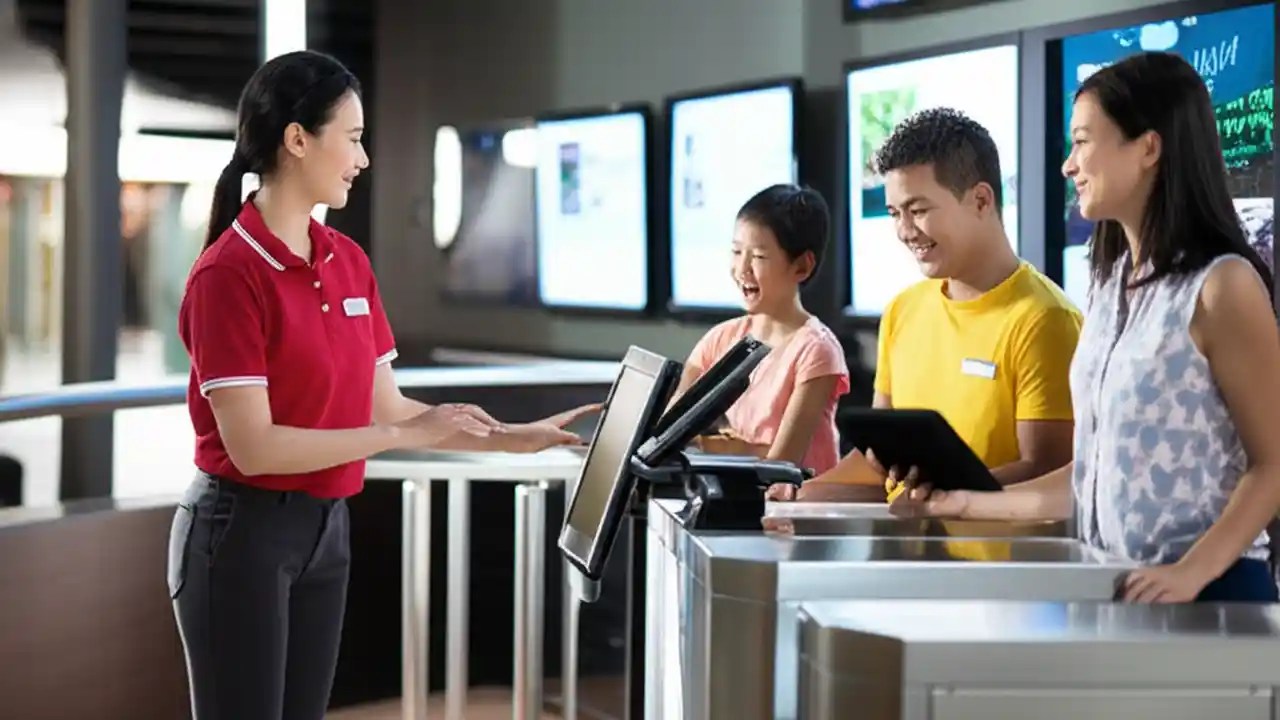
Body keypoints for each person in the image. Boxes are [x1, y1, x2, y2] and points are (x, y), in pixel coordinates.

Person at [167, 50, 597, 720]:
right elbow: (254, 447)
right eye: (354, 138)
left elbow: (387, 405)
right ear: (298, 139)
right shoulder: (228, 274)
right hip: (241, 534)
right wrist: (396, 433)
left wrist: (511, 440)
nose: (363, 159)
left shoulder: (347, 260)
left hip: (325, 528)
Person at [890, 52, 1280, 604]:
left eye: (1081, 142)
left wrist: (1191, 573)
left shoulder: (1224, 285)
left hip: (1209, 594)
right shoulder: (1111, 286)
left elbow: (1272, 463)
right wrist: (965, 502)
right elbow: (1092, 477)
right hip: (1119, 585)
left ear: (1148, 147)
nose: (1067, 166)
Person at [786, 108, 1081, 503]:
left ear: (981, 200)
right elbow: (878, 465)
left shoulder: (1045, 319)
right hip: (909, 540)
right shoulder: (902, 310)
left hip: (996, 544)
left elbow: (1048, 472)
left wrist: (942, 495)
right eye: (895, 213)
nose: (904, 231)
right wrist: (796, 498)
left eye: (918, 210)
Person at [675, 184, 850, 475]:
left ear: (802, 266)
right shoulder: (721, 338)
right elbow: (672, 423)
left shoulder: (817, 351)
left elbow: (782, 464)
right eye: (736, 251)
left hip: (799, 500)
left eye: (758, 256)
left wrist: (708, 444)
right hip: (738, 491)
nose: (741, 268)